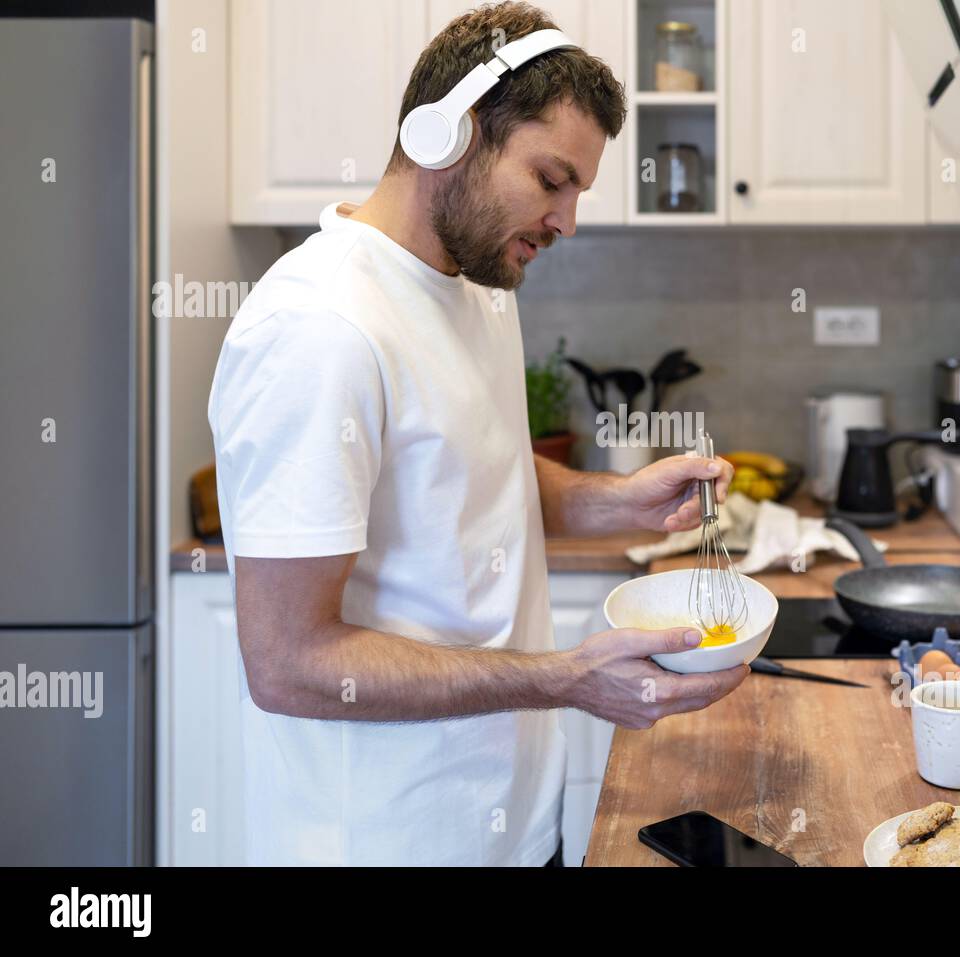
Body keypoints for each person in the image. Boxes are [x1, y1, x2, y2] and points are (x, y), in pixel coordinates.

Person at [207, 1, 746, 867]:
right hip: (387, 844)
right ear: (445, 134)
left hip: (513, 824)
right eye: (550, 179)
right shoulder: (319, 327)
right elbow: (290, 662)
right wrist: (565, 676)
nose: (567, 221)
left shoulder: (480, 282)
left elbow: (475, 474)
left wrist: (617, 503)